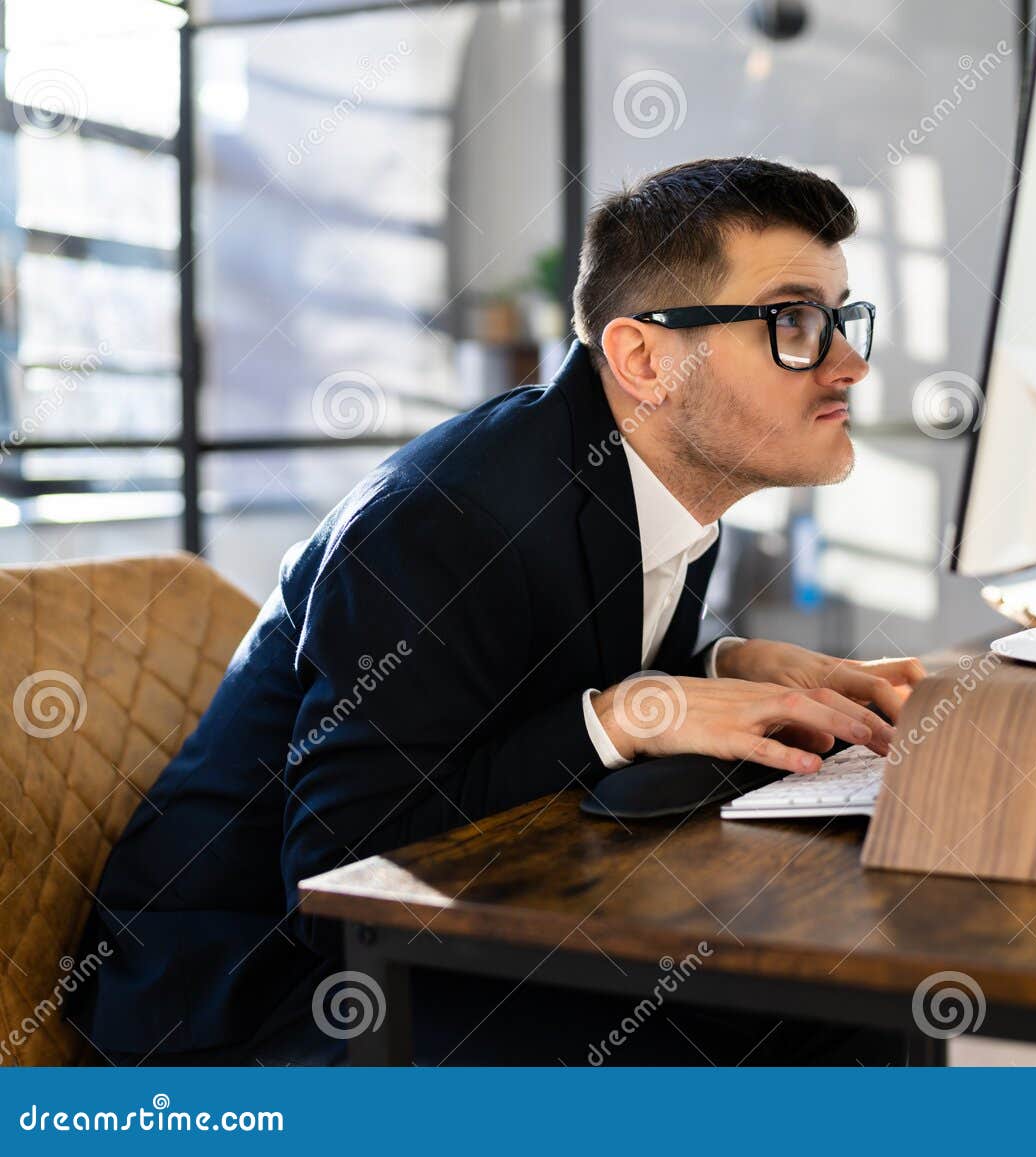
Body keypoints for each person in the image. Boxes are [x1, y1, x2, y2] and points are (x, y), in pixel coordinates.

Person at [71, 156, 925, 1066]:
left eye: (841, 318)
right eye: (793, 323)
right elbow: (338, 874)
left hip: (440, 938)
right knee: (756, 1021)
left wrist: (717, 665)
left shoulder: (655, 480)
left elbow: (543, 672)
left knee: (848, 994)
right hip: (247, 1001)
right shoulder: (443, 519)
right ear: (644, 359)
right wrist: (628, 712)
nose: (850, 363)